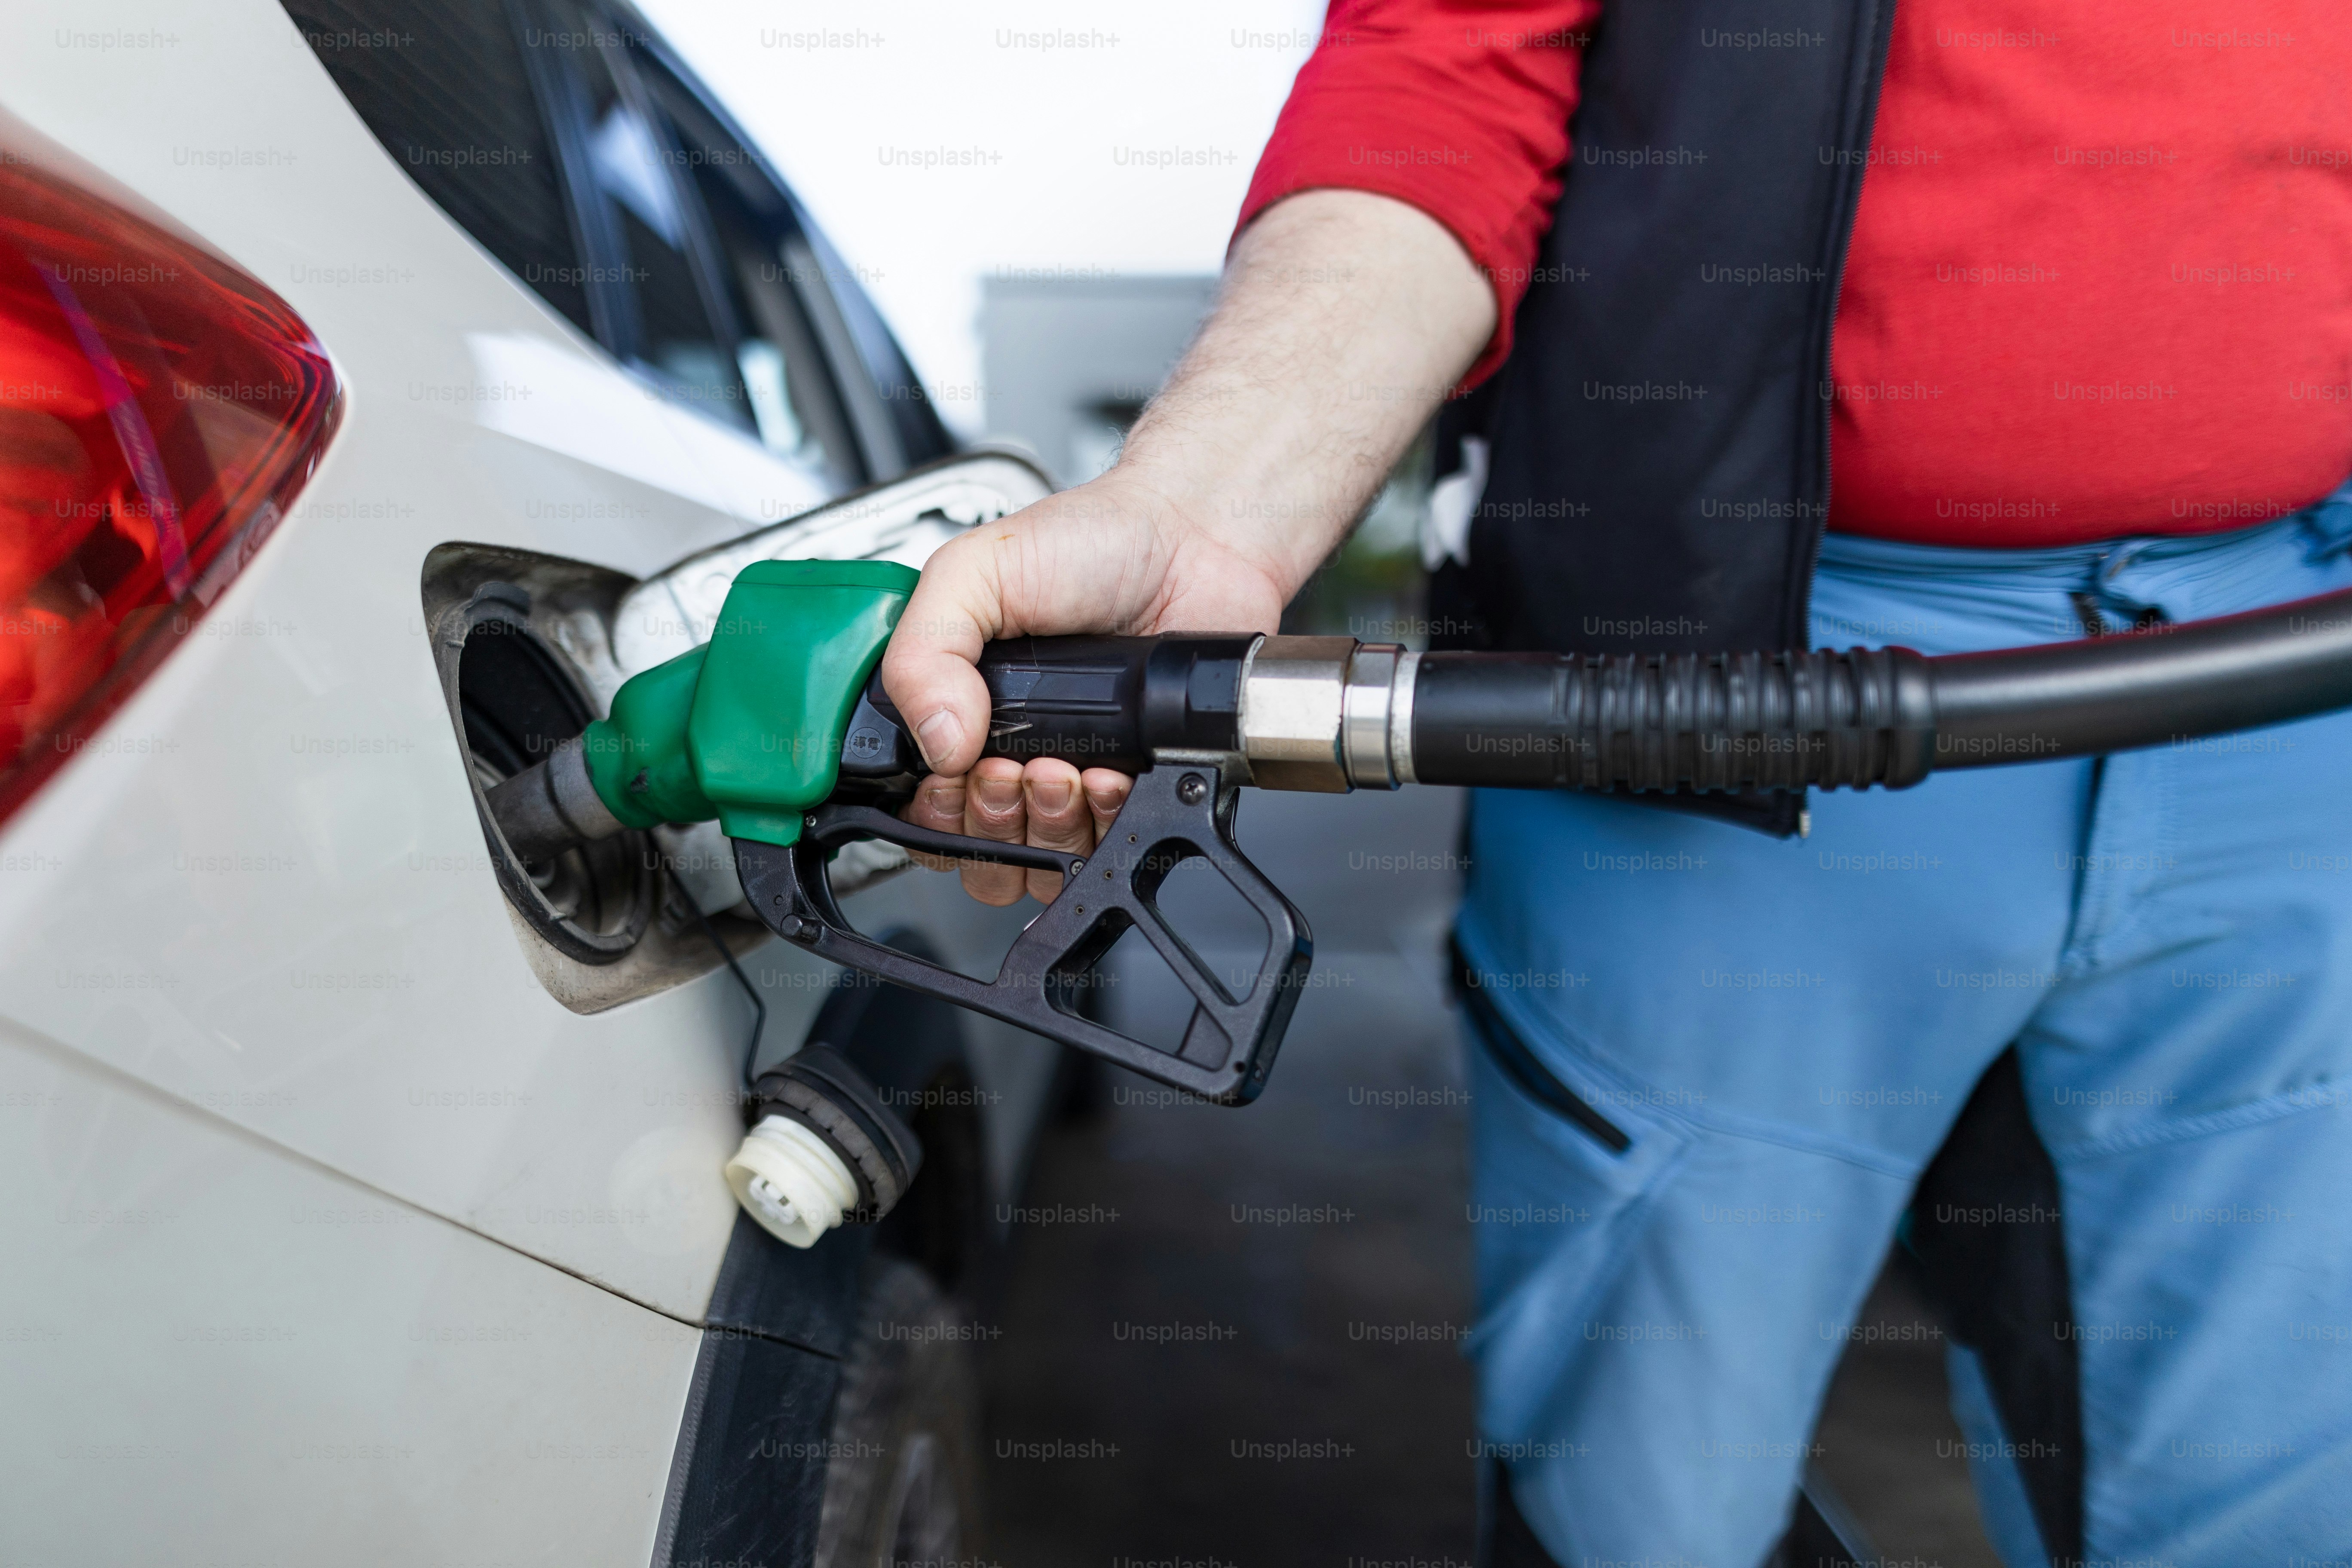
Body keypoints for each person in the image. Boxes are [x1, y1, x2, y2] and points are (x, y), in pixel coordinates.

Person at [879, 3, 2352, 1563]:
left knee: (2266, 1484)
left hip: (2295, 667)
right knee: (1642, 1498)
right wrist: (1202, 511)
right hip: (1721, 678)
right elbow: (1452, 59)